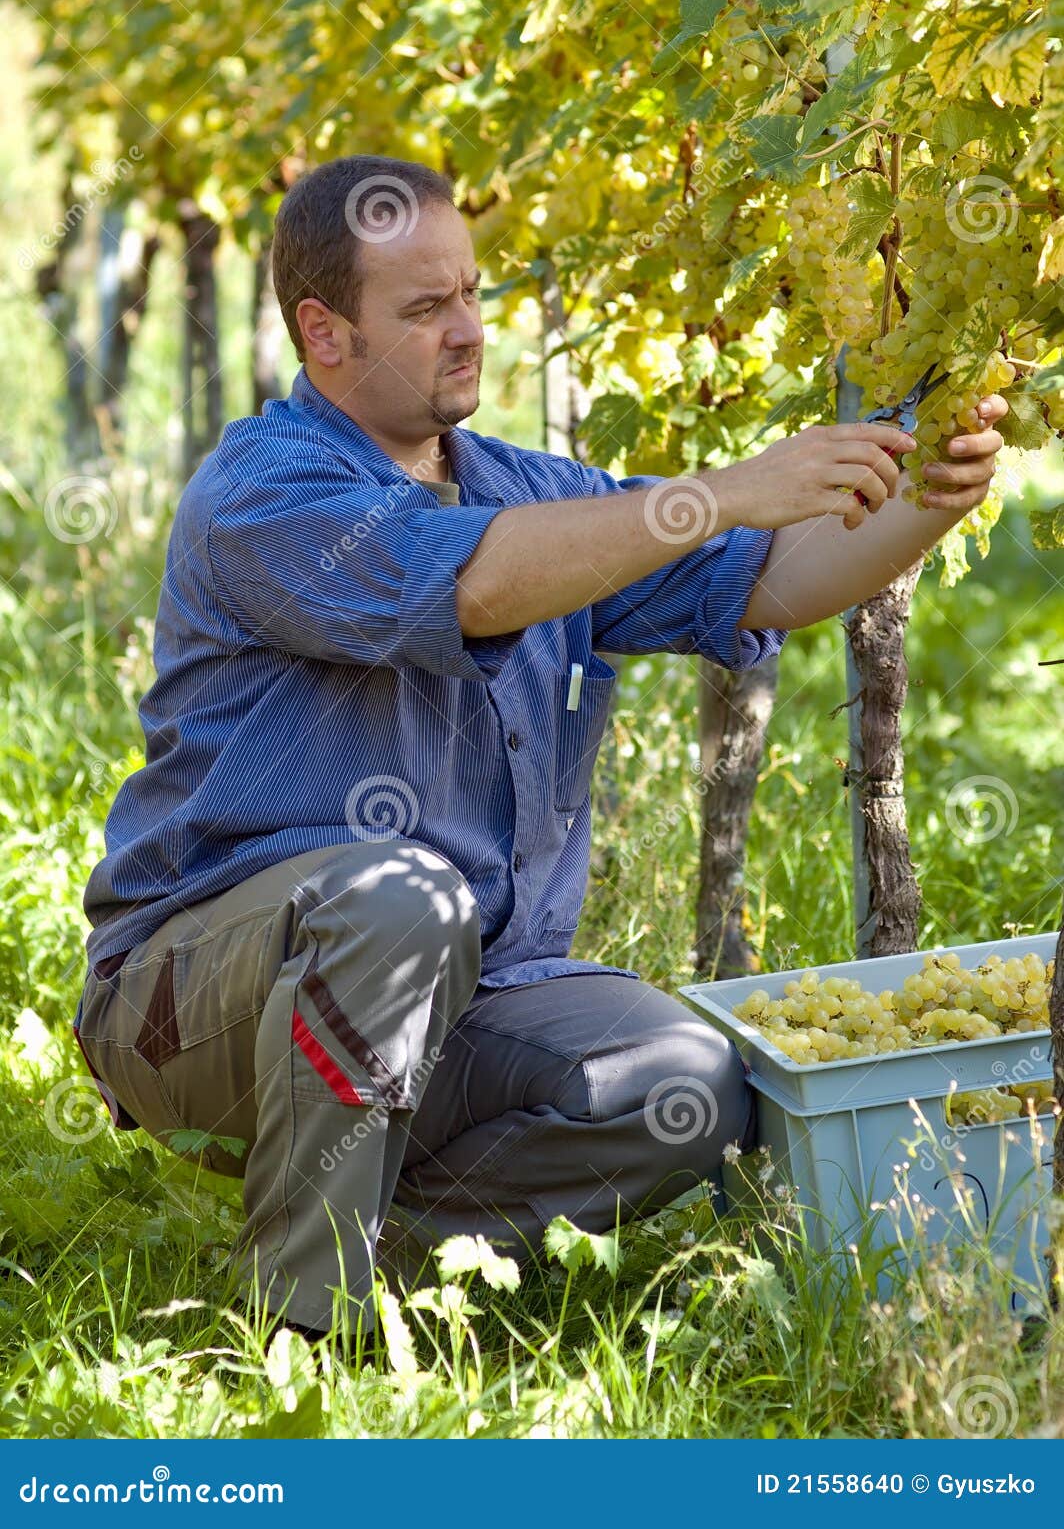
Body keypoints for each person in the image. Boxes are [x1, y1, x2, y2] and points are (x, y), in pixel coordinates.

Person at [71, 155, 1008, 1343]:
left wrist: (934, 490)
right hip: (198, 1005)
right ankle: (297, 1332)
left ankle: (392, 1256)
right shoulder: (263, 489)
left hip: (456, 994)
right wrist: (720, 488)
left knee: (684, 1084)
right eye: (422, 309)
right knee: (400, 898)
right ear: (324, 333)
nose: (466, 331)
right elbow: (479, 582)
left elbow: (771, 580)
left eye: (470, 294)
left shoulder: (525, 488)